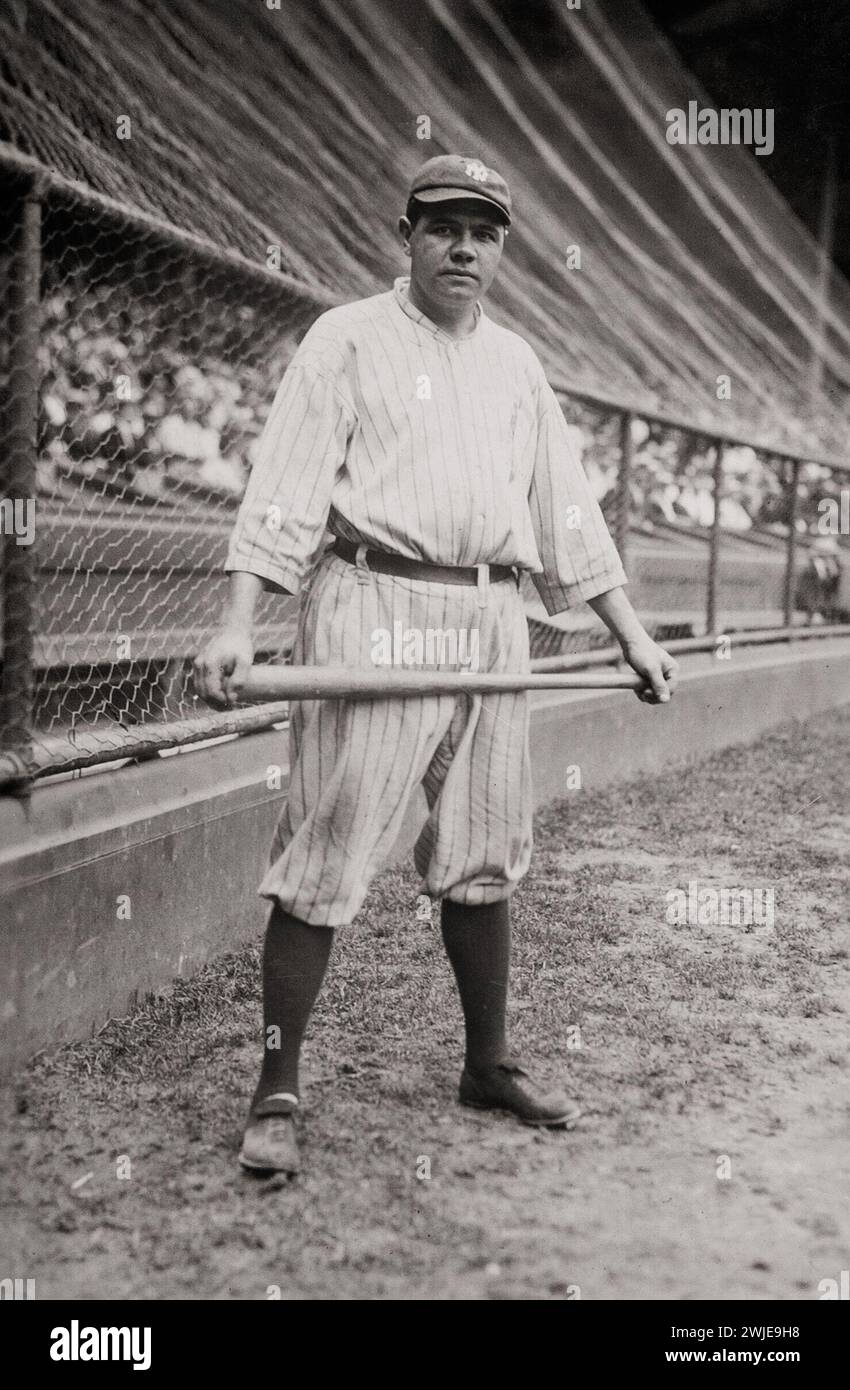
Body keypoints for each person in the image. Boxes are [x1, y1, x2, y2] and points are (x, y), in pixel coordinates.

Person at [194, 155, 678, 1175]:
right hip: (374, 600)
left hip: (491, 613)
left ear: (501, 247)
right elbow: (280, 487)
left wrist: (629, 632)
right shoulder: (348, 338)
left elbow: (565, 507)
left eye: (485, 231)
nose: (464, 246)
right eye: (444, 226)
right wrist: (239, 621)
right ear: (405, 233)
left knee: (486, 845)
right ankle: (277, 1089)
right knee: (327, 850)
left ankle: (487, 1062)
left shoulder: (517, 362)